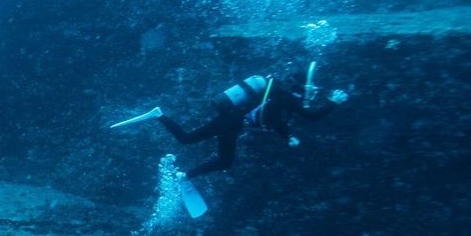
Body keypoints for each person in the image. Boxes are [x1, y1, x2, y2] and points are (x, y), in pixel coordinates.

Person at [132, 67, 342, 179]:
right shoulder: (287, 98)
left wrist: (288, 136)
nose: (312, 94)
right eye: (311, 90)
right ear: (303, 87)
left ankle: (158, 115)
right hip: (231, 124)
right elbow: (312, 117)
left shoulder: (279, 94)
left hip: (229, 118)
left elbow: (273, 119)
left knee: (186, 139)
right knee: (224, 162)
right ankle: (184, 177)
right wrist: (334, 102)